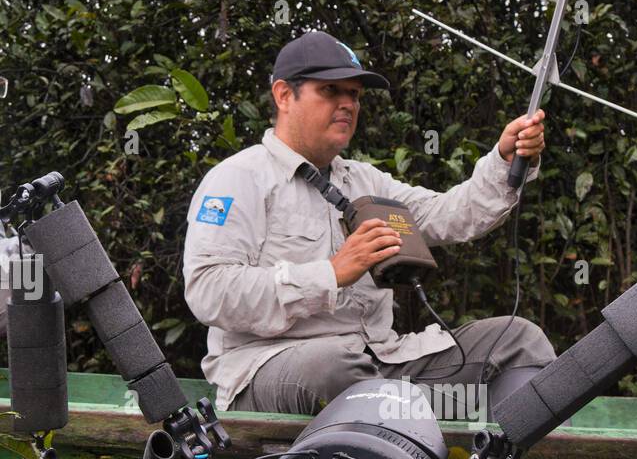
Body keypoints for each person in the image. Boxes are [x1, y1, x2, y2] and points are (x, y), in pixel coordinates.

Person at [183, 30, 555, 418]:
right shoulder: (239, 177)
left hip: (379, 364)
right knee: (333, 366)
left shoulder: (366, 182)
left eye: (355, 95)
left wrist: (504, 161)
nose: (347, 104)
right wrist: (329, 274)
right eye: (330, 91)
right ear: (283, 95)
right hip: (272, 367)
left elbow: (448, 215)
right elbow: (208, 289)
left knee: (518, 340)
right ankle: (422, 419)